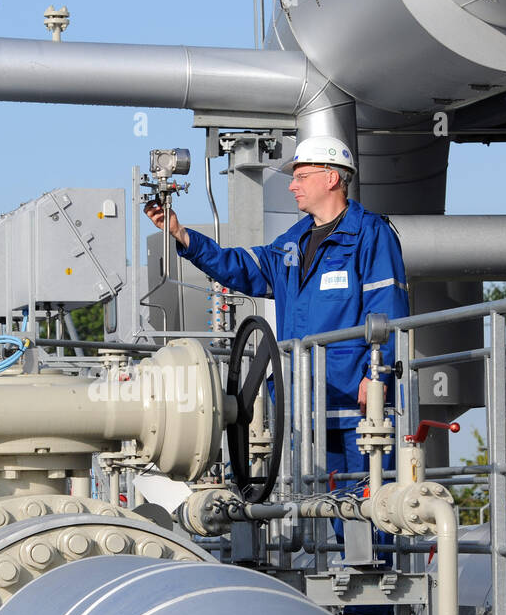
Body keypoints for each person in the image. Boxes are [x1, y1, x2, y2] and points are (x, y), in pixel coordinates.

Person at [144, 134, 409, 538]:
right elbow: (240, 267)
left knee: (367, 511)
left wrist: (379, 375)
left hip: (356, 404)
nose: (292, 185)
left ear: (332, 178)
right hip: (303, 403)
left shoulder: (371, 235)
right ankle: (331, 593)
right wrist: (182, 235)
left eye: (301, 175)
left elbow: (389, 311)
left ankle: (369, 599)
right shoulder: (294, 241)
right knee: (314, 510)